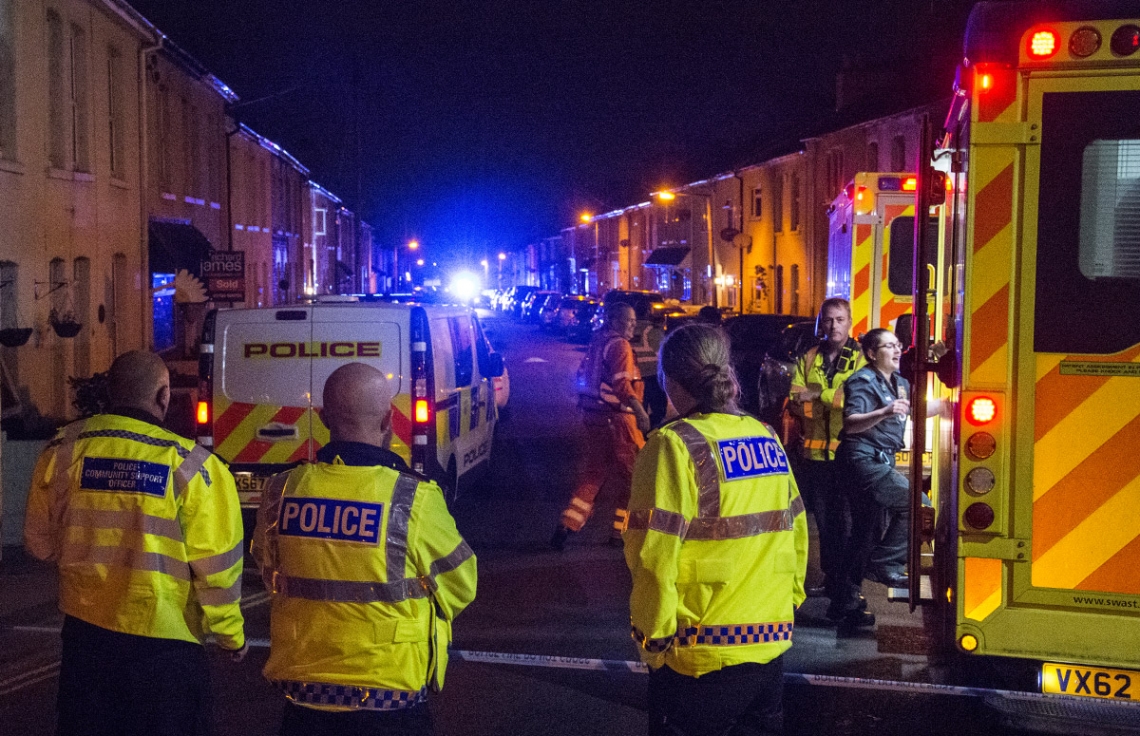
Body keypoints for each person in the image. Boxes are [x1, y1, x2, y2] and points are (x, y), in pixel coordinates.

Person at [24, 350, 246, 736]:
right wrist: (231, 637)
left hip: (86, 642)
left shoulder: (61, 451)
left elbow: (40, 545)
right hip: (167, 650)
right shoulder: (194, 468)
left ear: (110, 392)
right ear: (164, 396)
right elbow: (217, 573)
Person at [253, 363, 476, 736]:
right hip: (389, 699)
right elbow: (461, 584)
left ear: (324, 420)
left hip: (305, 698)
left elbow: (268, 570)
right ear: (389, 420)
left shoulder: (281, 491)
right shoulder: (412, 498)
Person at [625, 324, 808, 736]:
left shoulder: (672, 445)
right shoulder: (764, 436)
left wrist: (653, 641)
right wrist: (786, 605)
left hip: (699, 657)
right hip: (769, 646)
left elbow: (653, 555)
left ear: (668, 381)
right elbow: (795, 530)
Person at [829, 328, 912, 631]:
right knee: (917, 506)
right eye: (889, 345)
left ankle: (844, 601)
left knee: (863, 534)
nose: (896, 349)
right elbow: (851, 424)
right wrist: (885, 411)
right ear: (872, 353)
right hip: (862, 460)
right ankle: (886, 564)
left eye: (897, 343)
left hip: (879, 459)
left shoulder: (899, 382)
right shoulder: (862, 380)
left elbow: (905, 412)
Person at [553, 301, 651, 549]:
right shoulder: (620, 345)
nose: (632, 326)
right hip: (619, 420)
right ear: (613, 320)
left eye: (633, 321)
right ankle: (625, 533)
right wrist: (640, 412)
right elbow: (622, 385)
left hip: (594, 417)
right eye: (627, 321)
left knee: (594, 473)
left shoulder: (598, 342)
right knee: (636, 477)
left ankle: (568, 523)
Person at [787, 298, 863, 602]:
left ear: (849, 322)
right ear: (822, 322)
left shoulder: (860, 361)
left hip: (848, 456)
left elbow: (857, 399)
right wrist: (825, 398)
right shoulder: (808, 358)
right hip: (815, 457)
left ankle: (847, 586)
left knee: (845, 524)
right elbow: (794, 399)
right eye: (829, 320)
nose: (834, 326)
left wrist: (820, 393)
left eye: (840, 319)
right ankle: (833, 581)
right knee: (825, 524)